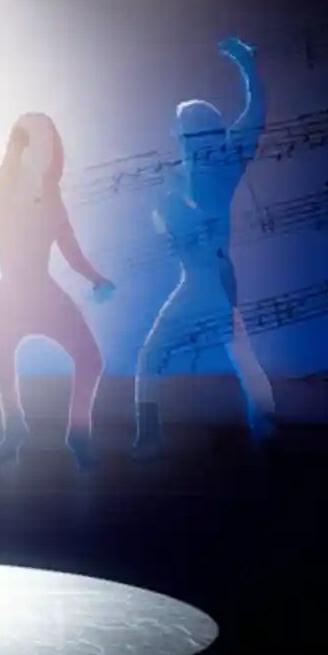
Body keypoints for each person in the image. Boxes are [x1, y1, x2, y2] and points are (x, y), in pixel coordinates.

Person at [131, 36, 278, 459]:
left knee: (163, 353)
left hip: (211, 279)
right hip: (202, 278)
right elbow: (163, 224)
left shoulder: (221, 162)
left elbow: (256, 113)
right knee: (233, 354)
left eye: (188, 131)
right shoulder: (181, 175)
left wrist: (247, 65)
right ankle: (261, 425)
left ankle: (260, 425)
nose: (184, 139)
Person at [0, 113, 116, 468]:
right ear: (22, 146)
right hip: (14, 293)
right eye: (39, 142)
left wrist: (95, 277)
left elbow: (69, 246)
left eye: (52, 143)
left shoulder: (51, 194)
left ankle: (78, 434)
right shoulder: (1, 190)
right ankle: (14, 426)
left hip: (42, 291)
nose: (47, 151)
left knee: (91, 360)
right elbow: (8, 240)